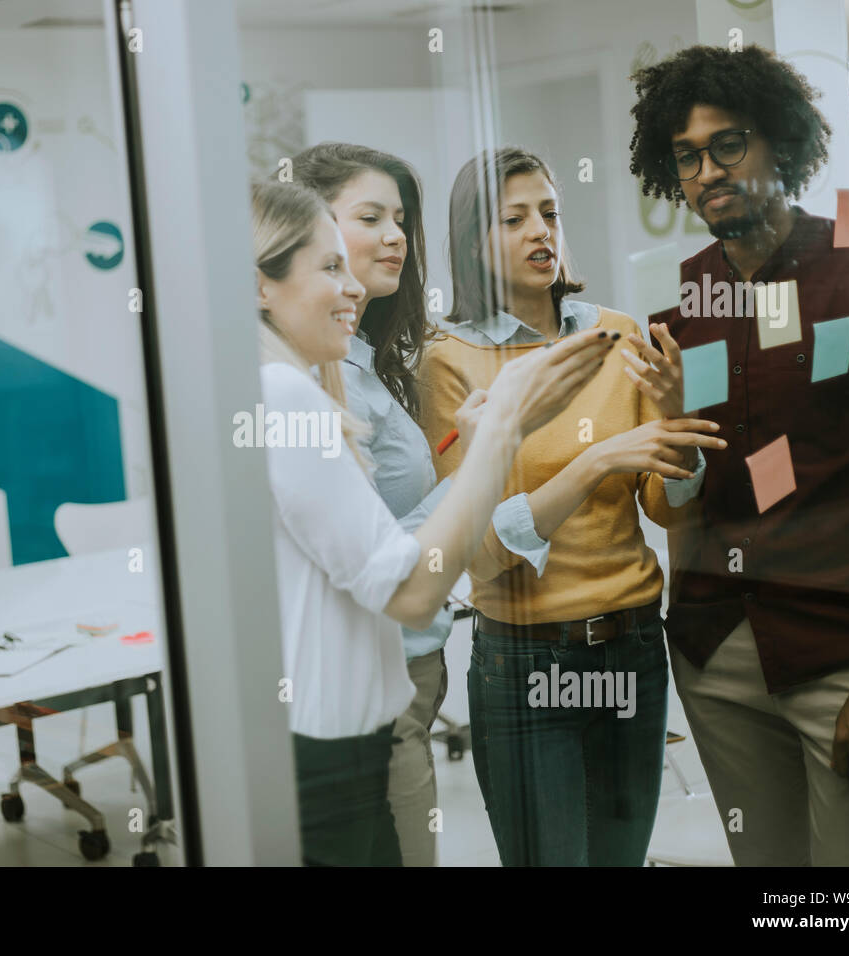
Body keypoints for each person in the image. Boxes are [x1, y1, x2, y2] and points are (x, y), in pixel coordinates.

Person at [628, 43, 849, 866]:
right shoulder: (688, 306)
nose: (707, 170)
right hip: (720, 653)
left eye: (728, 144)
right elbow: (689, 498)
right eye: (687, 156)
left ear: (779, 144)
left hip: (847, 652)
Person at [249, 181, 613, 865]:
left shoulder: (287, 391)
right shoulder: (285, 399)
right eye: (329, 267)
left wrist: (483, 450)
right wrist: (501, 432)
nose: (352, 284)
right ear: (262, 285)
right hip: (323, 762)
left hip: (336, 750)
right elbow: (414, 593)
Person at [418, 147, 725, 865]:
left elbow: (669, 508)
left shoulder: (618, 334)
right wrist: (594, 463)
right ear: (472, 243)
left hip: (632, 647)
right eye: (514, 218)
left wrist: (677, 423)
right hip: (524, 660)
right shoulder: (446, 361)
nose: (540, 232)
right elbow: (481, 546)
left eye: (549, 214)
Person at [289, 142, 452, 867]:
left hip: (405, 671)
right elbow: (378, 558)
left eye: (402, 220)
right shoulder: (321, 384)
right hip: (374, 681)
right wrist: (483, 475)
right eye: (371, 217)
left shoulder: (359, 364)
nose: (396, 236)